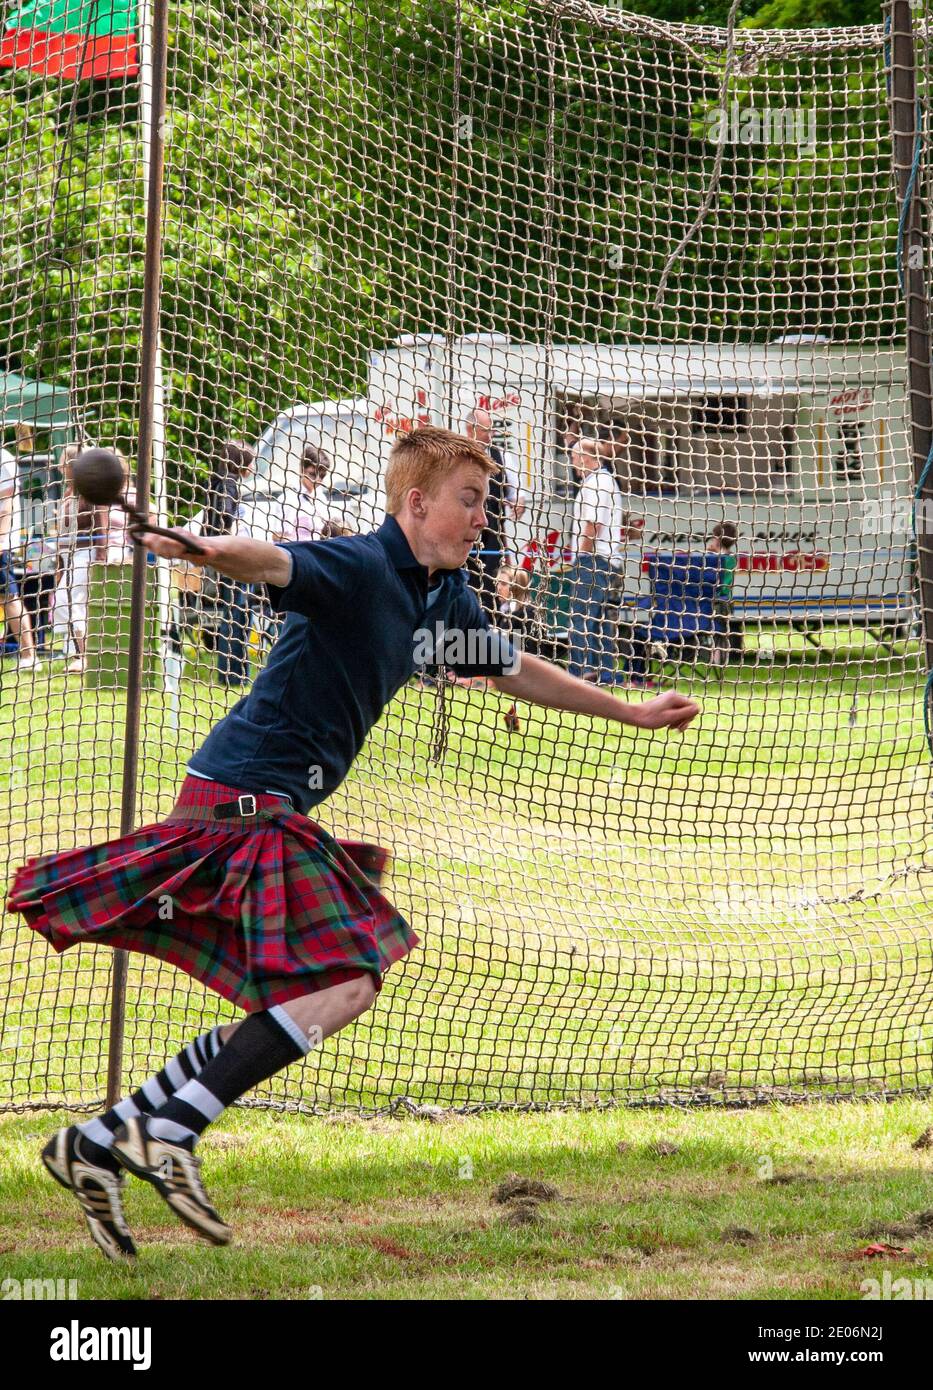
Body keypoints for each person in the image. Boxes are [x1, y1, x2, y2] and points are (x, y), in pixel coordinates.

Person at [7, 425, 699, 1262]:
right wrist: (200, 546)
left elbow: (511, 667)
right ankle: (169, 1133)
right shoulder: (363, 568)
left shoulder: (437, 599)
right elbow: (269, 562)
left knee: (297, 1002)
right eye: (468, 501)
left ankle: (102, 1139)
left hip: (256, 806)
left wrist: (626, 710)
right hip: (242, 806)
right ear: (415, 503)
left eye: (485, 502)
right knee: (347, 978)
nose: (483, 518)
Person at [566, 437, 626, 684]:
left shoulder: (597, 484)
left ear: (585, 458)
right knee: (598, 619)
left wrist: (582, 556)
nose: (572, 461)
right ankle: (606, 673)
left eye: (573, 456)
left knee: (582, 616)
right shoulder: (603, 481)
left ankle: (582, 673)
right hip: (604, 560)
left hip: (595, 560)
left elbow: (592, 525)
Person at [203, 439, 257, 688]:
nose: (253, 468)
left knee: (235, 613)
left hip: (222, 553)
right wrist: (235, 540)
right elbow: (225, 516)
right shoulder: (228, 484)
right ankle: (233, 674)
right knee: (237, 614)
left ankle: (233, 672)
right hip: (232, 555)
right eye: (251, 463)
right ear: (242, 463)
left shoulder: (220, 482)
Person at [464, 407, 523, 617]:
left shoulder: (502, 457)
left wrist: (518, 502)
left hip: (493, 536)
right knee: (465, 583)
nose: (490, 436)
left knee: (492, 584)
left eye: (491, 431)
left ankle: (490, 629)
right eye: (485, 431)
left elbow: (516, 492)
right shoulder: (459, 456)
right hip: (464, 534)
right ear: (470, 429)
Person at [0, 442, 38, 669]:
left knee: (9, 598)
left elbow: (6, 505)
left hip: (1, 544)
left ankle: (29, 656)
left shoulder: (2, 458)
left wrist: (1, 538)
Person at [707, 521, 742, 664]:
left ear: (717, 538)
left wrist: (711, 554)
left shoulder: (721, 559)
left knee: (718, 631)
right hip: (725, 600)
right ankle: (717, 658)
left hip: (720, 600)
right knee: (720, 630)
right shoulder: (732, 557)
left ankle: (717, 659)